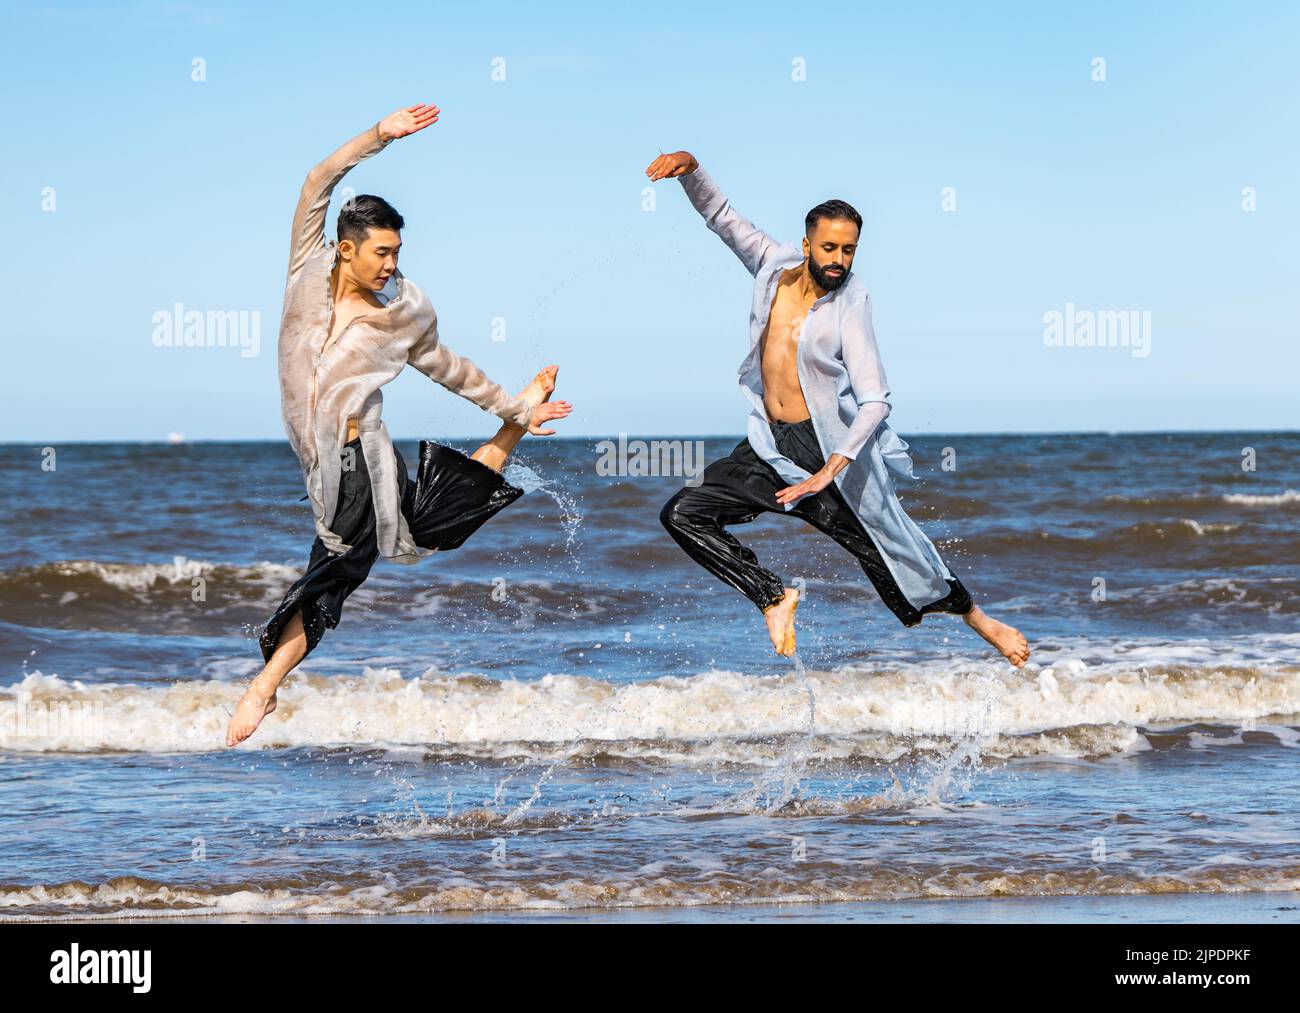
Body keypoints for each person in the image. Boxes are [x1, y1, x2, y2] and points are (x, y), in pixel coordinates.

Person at [226, 104, 571, 746]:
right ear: (347, 248)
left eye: (398, 253)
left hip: (361, 459)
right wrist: (379, 136)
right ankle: (509, 440)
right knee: (433, 530)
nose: (390, 264)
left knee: (337, 572)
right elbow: (316, 182)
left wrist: (513, 403)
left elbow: (453, 370)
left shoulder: (403, 315)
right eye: (381, 252)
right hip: (321, 465)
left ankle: (260, 691)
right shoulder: (308, 274)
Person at [645, 150, 1028, 666]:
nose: (838, 260)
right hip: (768, 441)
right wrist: (691, 170)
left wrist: (831, 469)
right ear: (805, 245)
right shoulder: (771, 265)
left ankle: (981, 620)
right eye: (829, 247)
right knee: (684, 513)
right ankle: (773, 596)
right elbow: (721, 217)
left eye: (849, 250)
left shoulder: (852, 303)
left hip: (824, 447)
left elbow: (875, 401)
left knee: (887, 548)